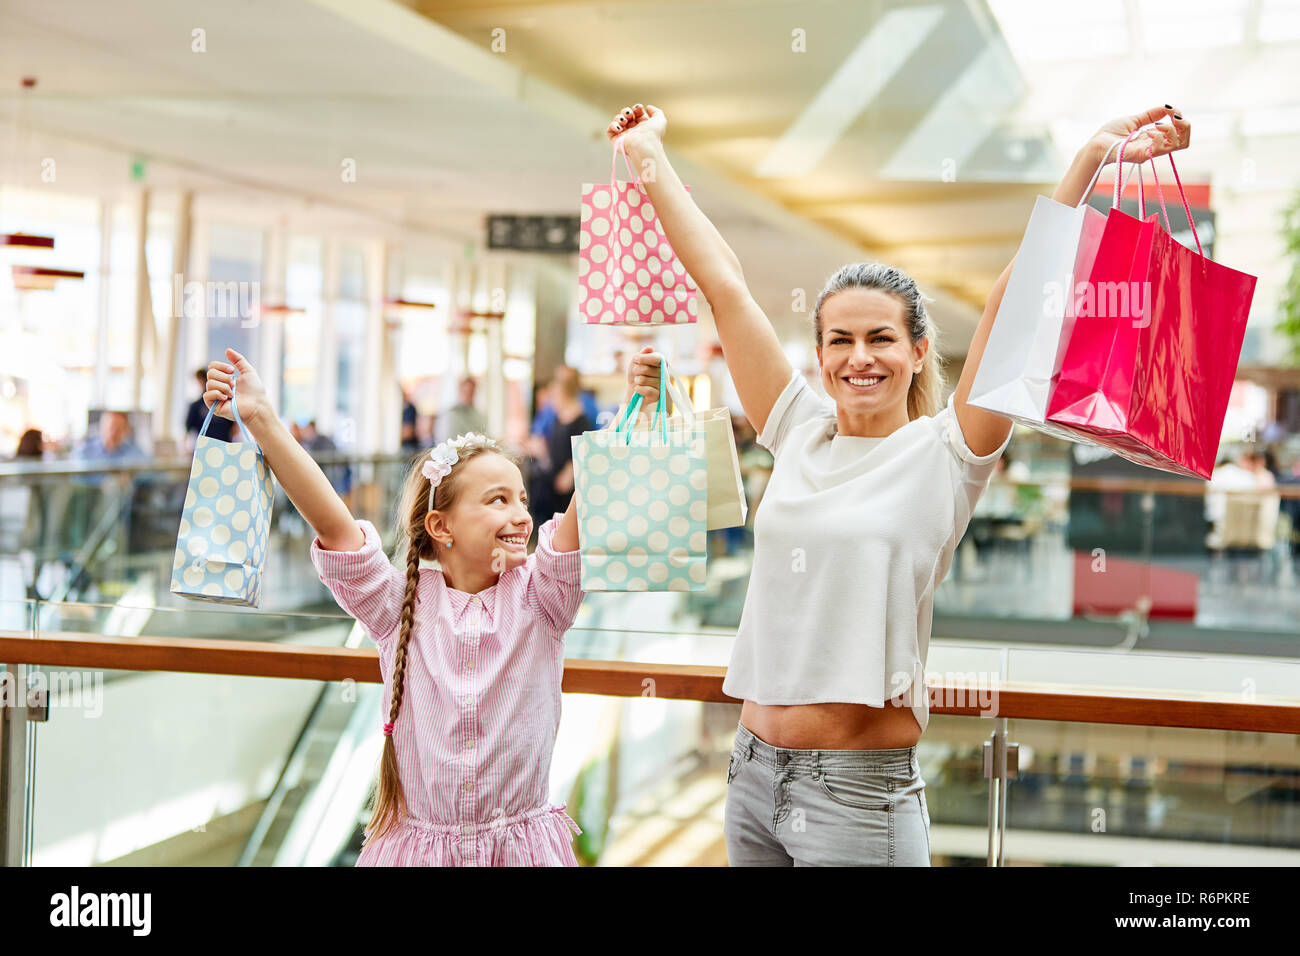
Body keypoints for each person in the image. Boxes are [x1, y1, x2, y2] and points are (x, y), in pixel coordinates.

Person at [607, 99, 1192, 866]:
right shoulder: (797, 431)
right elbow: (725, 285)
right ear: (820, 357)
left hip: (858, 797)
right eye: (840, 341)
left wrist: (1089, 160)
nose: (860, 358)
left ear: (918, 350)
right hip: (751, 776)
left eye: (882, 338)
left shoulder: (949, 451)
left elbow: (1009, 306)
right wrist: (647, 151)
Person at [201, 345, 656, 866]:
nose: (521, 515)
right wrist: (260, 419)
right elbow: (332, 523)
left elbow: (588, 501)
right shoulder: (399, 605)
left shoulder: (542, 599)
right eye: (496, 500)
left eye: (522, 499)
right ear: (442, 529)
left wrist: (632, 416)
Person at [527, 368, 591, 528]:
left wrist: (570, 472)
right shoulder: (558, 419)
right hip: (553, 476)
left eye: (555, 396)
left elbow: (580, 450)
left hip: (566, 481)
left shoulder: (580, 420)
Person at [186, 368, 234, 447]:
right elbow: (233, 428)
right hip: (224, 446)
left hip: (205, 447)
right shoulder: (225, 403)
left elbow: (189, 428)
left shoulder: (196, 405)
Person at [76, 410, 147, 463]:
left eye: (119, 429)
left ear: (126, 431)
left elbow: (151, 473)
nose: (114, 433)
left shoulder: (134, 452)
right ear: (101, 426)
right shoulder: (85, 451)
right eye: (111, 427)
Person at [439, 377, 488, 445]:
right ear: (459, 391)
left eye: (470, 392)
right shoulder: (450, 414)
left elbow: (484, 438)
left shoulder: (480, 416)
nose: (467, 395)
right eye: (465, 391)